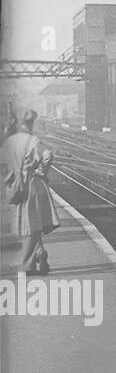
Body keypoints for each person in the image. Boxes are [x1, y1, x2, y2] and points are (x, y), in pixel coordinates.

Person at [1, 110, 59, 274]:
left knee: (28, 224)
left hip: (16, 187)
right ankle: (32, 261)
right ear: (31, 125)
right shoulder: (33, 141)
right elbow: (47, 155)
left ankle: (34, 258)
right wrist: (42, 171)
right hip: (33, 186)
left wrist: (10, 178)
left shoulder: (10, 141)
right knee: (33, 225)